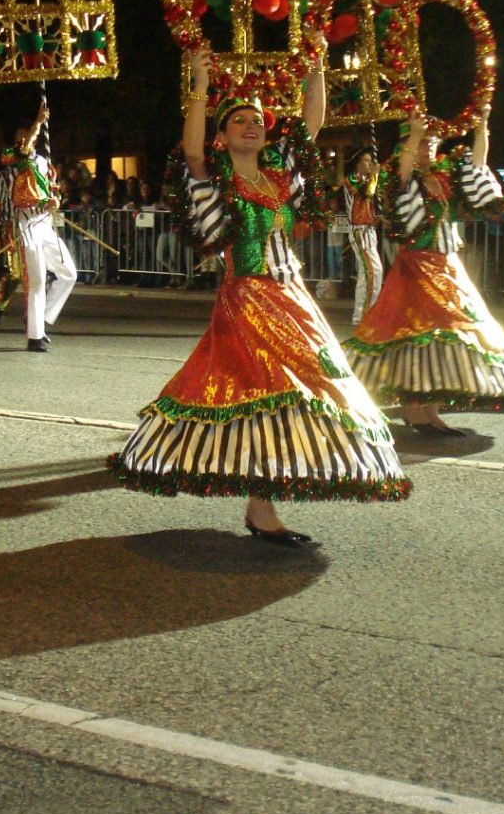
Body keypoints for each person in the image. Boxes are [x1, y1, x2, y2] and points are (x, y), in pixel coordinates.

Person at [109, 47, 408, 546]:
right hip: (246, 296)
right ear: (223, 137)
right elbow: (192, 153)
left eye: (258, 120)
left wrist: (316, 68)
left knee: (313, 388)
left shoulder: (279, 178)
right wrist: (200, 84)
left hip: (292, 296)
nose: (252, 126)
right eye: (239, 121)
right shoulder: (219, 182)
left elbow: (310, 127)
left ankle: (261, 503)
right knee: (261, 393)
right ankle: (262, 507)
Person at [344, 110, 504, 433]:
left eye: (431, 143)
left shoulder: (443, 175)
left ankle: (428, 410)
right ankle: (415, 409)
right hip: (417, 265)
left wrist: (482, 127)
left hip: (446, 262)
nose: (426, 149)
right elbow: (404, 172)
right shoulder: (398, 174)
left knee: (452, 335)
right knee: (420, 335)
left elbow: (477, 164)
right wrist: (416, 135)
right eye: (420, 143)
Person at [0, 101, 76, 350]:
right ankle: (35, 336)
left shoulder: (44, 163)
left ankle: (43, 318)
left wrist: (55, 200)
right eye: (21, 137)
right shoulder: (14, 160)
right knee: (36, 281)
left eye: (26, 136)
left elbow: (53, 190)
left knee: (69, 273)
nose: (24, 140)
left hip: (45, 223)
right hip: (26, 223)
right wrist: (38, 121)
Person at [335, 147, 383, 324]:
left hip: (369, 230)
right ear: (357, 164)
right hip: (359, 230)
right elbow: (367, 192)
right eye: (365, 161)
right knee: (372, 271)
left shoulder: (367, 180)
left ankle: (365, 314)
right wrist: (375, 175)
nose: (369, 164)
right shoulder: (352, 180)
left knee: (370, 273)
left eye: (370, 161)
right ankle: (364, 315)